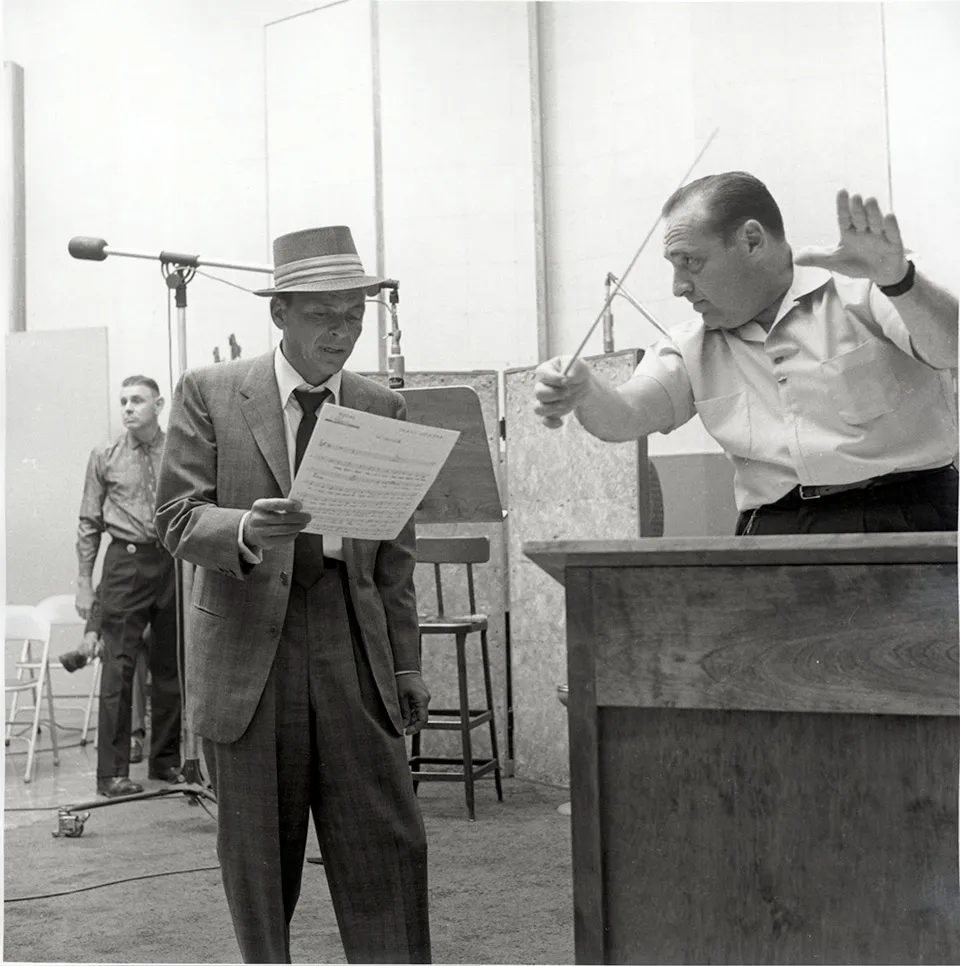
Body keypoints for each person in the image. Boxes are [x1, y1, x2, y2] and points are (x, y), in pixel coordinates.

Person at [154, 226, 432, 965]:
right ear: (280, 314)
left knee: (388, 848)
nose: (342, 334)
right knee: (257, 864)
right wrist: (246, 526)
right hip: (249, 650)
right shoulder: (208, 394)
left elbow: (396, 559)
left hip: (350, 636)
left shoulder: (382, 406)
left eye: (354, 316)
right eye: (323, 316)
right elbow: (176, 518)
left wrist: (407, 665)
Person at [534, 173, 958, 534]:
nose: (678, 286)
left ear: (752, 240)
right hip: (775, 530)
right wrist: (586, 389)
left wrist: (897, 279)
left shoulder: (868, 287)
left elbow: (950, 348)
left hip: (907, 514)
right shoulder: (691, 346)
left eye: (691, 262)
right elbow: (626, 414)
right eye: (673, 265)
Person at [76, 375, 182, 797]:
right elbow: (88, 522)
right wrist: (85, 583)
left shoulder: (178, 449)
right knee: (118, 670)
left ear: (158, 405)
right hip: (126, 563)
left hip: (173, 560)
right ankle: (112, 774)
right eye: (122, 401)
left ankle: (166, 762)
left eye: (137, 400)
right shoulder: (105, 454)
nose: (128, 408)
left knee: (171, 667)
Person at [61, 583, 151, 763]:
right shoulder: (121, 563)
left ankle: (95, 650)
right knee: (132, 656)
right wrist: (92, 633)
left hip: (157, 637)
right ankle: (133, 737)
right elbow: (102, 599)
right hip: (130, 641)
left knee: (131, 646)